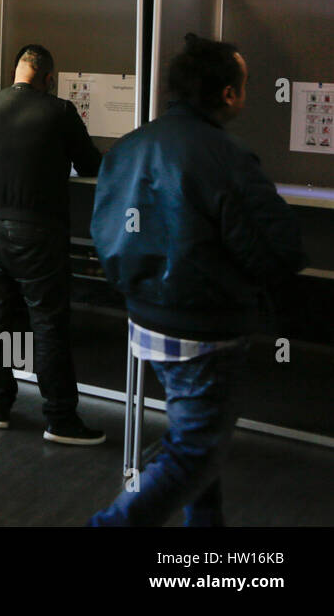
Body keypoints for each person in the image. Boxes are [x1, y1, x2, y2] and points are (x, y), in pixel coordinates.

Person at [88, 35, 304, 526]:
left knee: (195, 438)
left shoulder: (130, 146)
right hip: (203, 332)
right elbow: (276, 249)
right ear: (229, 94)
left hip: (146, 320)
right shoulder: (227, 157)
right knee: (194, 452)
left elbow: (106, 229)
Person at [0, 43, 105, 444]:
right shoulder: (59, 111)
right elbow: (92, 164)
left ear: (14, 74)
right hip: (37, 229)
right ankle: (59, 419)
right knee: (48, 323)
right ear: (49, 79)